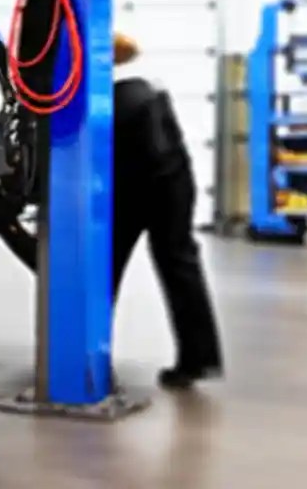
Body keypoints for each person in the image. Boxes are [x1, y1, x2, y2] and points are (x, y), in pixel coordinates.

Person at [109, 32, 224, 389]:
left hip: (135, 183)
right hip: (174, 178)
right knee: (179, 262)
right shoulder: (147, 81)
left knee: (100, 270)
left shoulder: (109, 90)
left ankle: (85, 360)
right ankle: (200, 358)